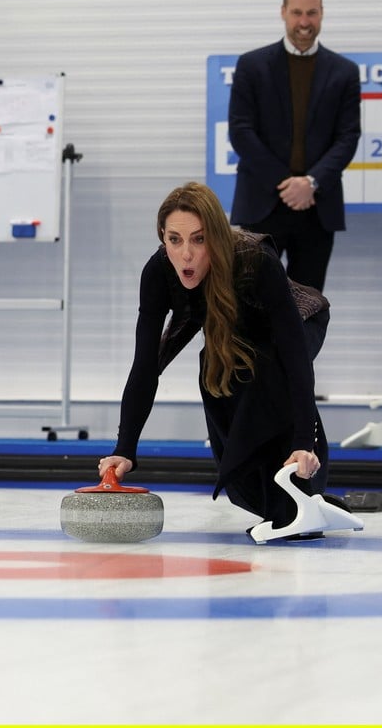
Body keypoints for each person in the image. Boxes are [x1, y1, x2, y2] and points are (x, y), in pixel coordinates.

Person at [98, 182, 342, 538]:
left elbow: (294, 357)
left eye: (199, 239)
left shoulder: (255, 260)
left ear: (215, 236)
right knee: (214, 373)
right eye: (174, 239)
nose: (186, 254)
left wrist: (304, 442)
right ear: (162, 238)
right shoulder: (158, 273)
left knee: (266, 371)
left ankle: (303, 490)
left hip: (300, 323)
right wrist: (125, 449)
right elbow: (145, 366)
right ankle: (273, 501)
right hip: (236, 333)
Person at [227, 0, 361, 293]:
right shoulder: (251, 66)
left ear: (322, 14)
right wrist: (287, 183)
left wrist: (310, 183)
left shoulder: (344, 72)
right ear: (283, 12)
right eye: (297, 13)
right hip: (263, 204)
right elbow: (241, 131)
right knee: (251, 305)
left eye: (312, 13)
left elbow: (348, 137)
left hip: (317, 209)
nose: (304, 22)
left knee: (308, 311)